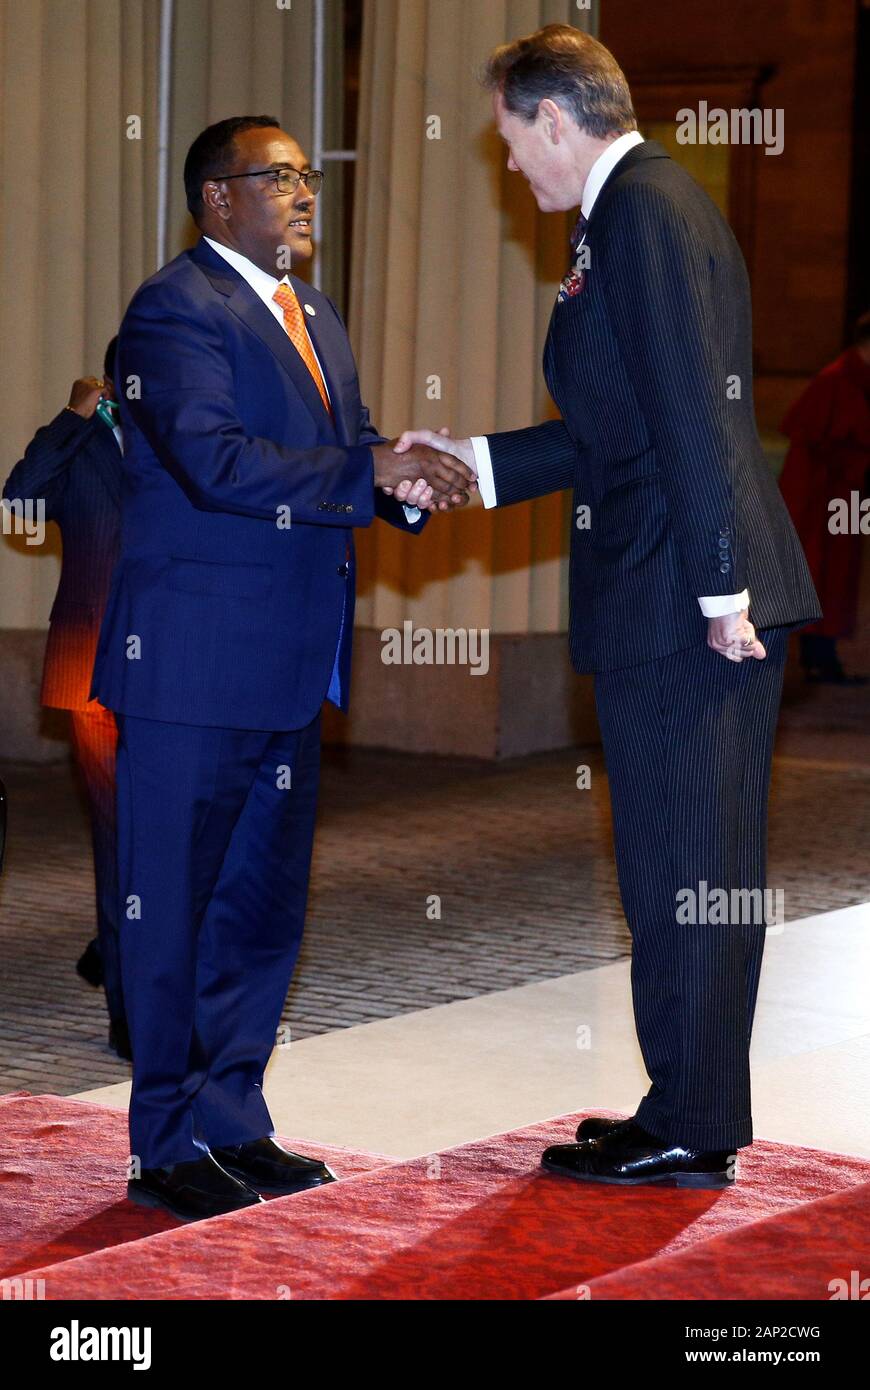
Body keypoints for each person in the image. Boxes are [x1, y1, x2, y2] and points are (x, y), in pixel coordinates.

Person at [398, 25, 820, 1189]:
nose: (511, 168)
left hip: (688, 601)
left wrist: (723, 589)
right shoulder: (628, 213)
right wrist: (471, 463)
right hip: (673, 587)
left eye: (510, 142)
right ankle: (683, 1103)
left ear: (552, 117)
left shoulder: (642, 209)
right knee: (671, 870)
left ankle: (693, 1125)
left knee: (691, 868)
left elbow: (697, 409)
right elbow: (613, 429)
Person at [91, 115, 474, 1223]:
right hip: (187, 674)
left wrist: (407, 478)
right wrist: (371, 468)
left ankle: (234, 1122)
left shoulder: (314, 314)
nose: (305, 194)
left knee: (258, 912)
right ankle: (163, 1142)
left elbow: (340, 450)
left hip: (290, 671)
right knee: (170, 910)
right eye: (279, 177)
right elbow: (214, 462)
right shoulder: (171, 312)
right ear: (218, 199)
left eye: (308, 176)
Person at [3, 339, 130, 1059]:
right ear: (110, 380)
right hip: (92, 671)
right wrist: (71, 419)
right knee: (121, 834)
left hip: (178, 670)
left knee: (169, 833)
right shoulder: (80, 443)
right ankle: (128, 1008)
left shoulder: (190, 440)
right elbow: (19, 503)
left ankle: (120, 948)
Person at [779, 311, 870, 684]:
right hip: (824, 496)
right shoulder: (837, 378)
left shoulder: (856, 377)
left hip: (848, 494)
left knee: (842, 571)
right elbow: (811, 437)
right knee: (823, 570)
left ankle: (824, 653)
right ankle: (817, 655)